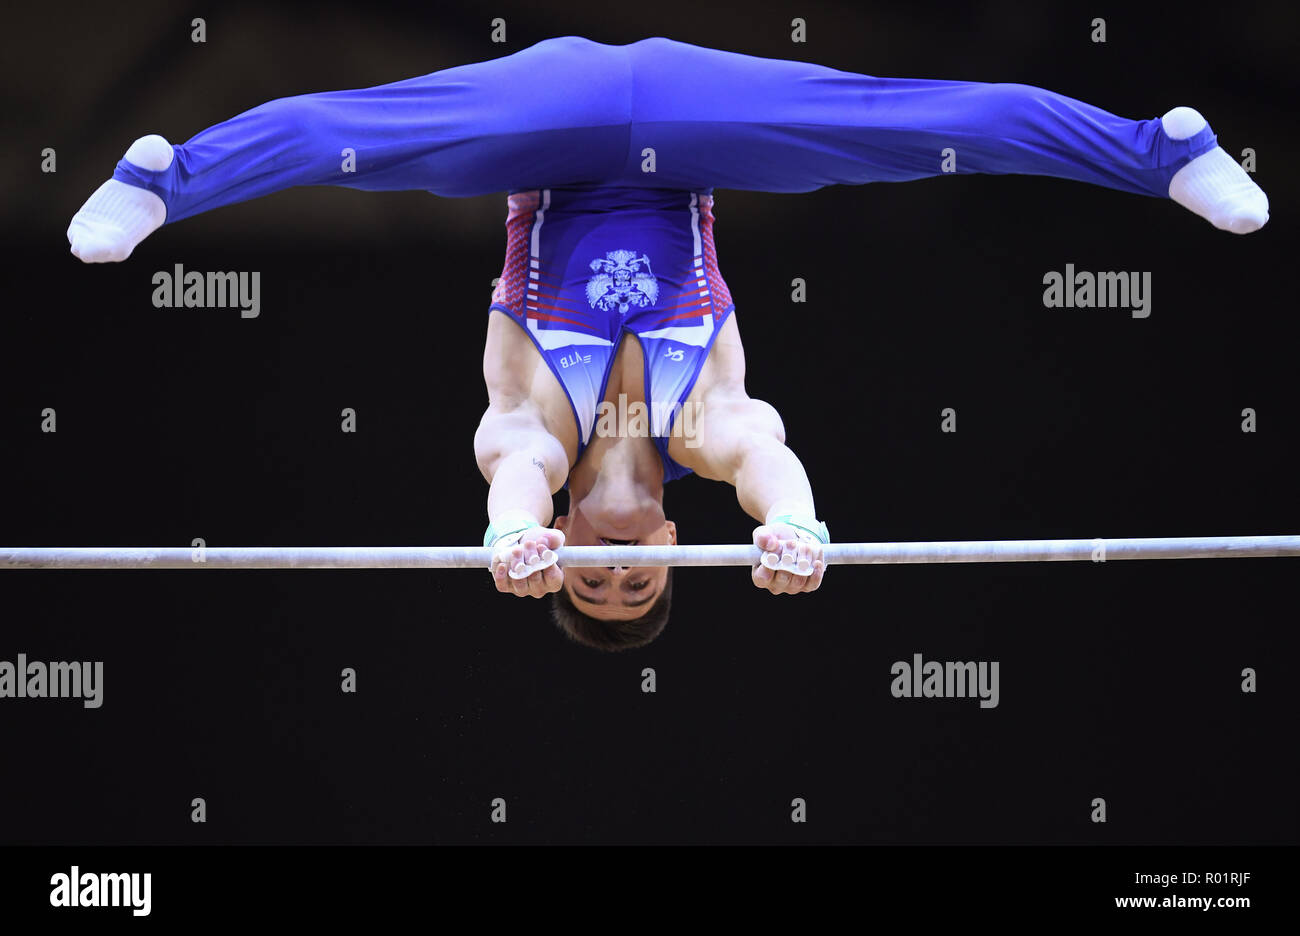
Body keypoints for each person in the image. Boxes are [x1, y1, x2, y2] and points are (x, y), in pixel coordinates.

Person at [65, 35, 1267, 649]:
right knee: (899, 126)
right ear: (678, 542)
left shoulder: (524, 438)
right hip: (691, 134)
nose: (615, 567)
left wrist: (505, 537)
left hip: (548, 131)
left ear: (562, 551)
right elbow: (770, 464)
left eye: (595, 580)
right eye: (639, 582)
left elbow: (516, 480)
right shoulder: (706, 430)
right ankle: (1158, 149)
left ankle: (165, 179)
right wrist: (795, 530)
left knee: (374, 142)